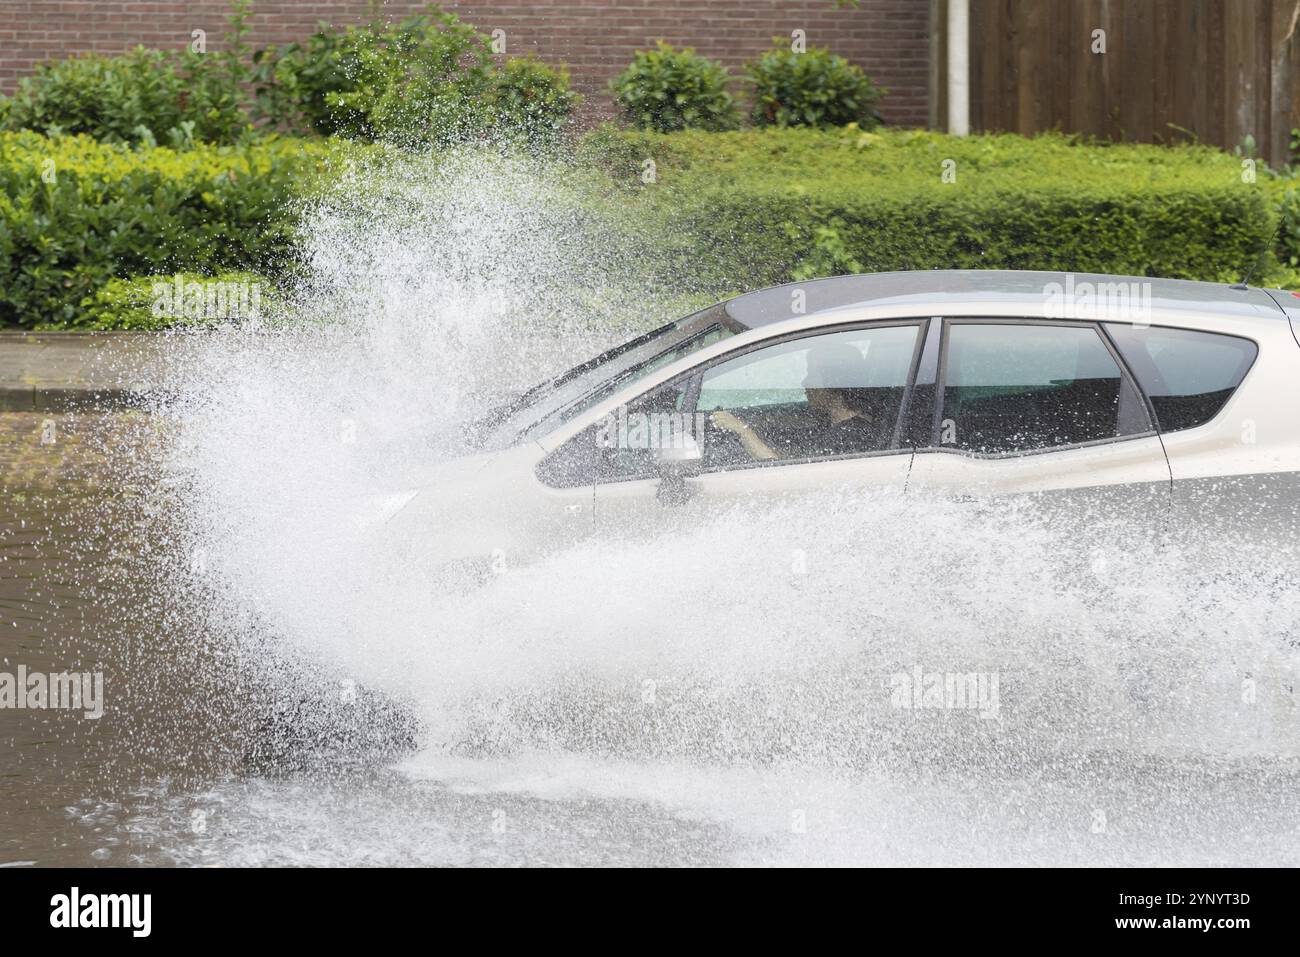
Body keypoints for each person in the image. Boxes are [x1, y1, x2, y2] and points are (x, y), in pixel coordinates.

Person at [708, 341, 891, 461]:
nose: (805, 382)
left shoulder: (849, 436)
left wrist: (743, 431)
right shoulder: (837, 424)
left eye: (811, 373)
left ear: (832, 380)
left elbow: (781, 473)